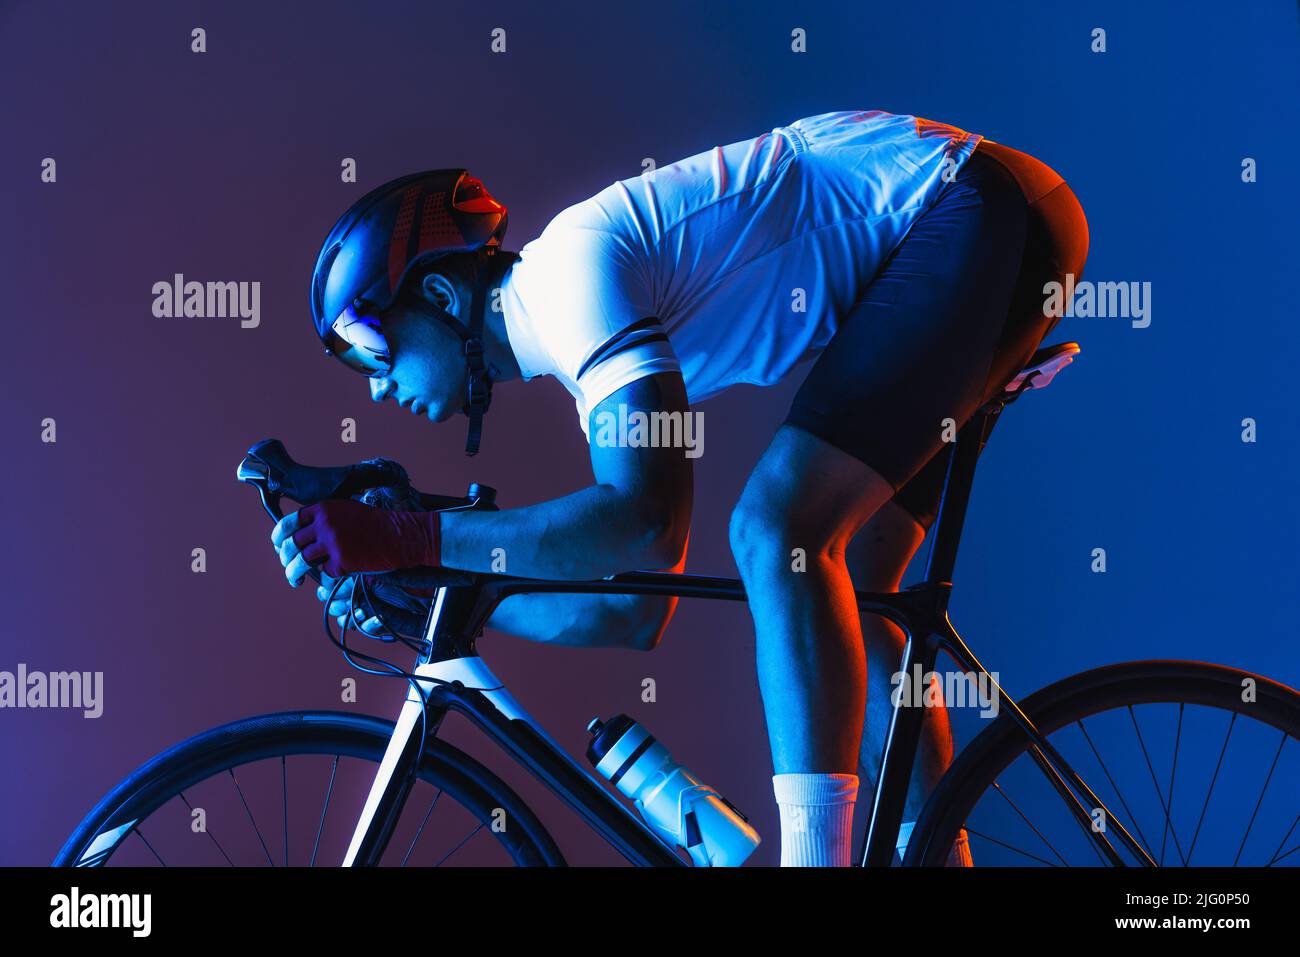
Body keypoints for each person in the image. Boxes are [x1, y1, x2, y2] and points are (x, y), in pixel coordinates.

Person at [272, 109, 1089, 867]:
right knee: (855, 590)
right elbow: (635, 609)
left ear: (443, 295)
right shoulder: (572, 340)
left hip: (972, 207)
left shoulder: (569, 276)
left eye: (369, 343)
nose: (375, 387)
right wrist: (452, 595)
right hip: (986, 226)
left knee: (780, 533)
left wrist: (415, 540)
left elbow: (646, 521)